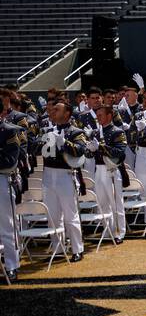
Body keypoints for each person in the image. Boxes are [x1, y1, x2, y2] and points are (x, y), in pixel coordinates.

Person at [39, 99, 89, 261]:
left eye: (57, 110)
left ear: (67, 113)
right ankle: (57, 248)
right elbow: (38, 150)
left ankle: (77, 249)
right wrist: (44, 140)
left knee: (70, 214)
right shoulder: (48, 129)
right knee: (53, 216)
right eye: (52, 109)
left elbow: (81, 150)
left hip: (65, 174)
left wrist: (64, 143)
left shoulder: (76, 132)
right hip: (48, 174)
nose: (53, 112)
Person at [86, 103, 128, 244]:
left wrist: (101, 147)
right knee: (102, 202)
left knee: (116, 203)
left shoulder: (118, 132)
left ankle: (119, 232)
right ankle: (107, 230)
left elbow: (120, 153)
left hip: (112, 169)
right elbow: (89, 154)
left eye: (100, 115)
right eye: (97, 116)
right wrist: (90, 149)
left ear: (109, 116)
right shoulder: (95, 133)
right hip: (98, 169)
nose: (98, 118)